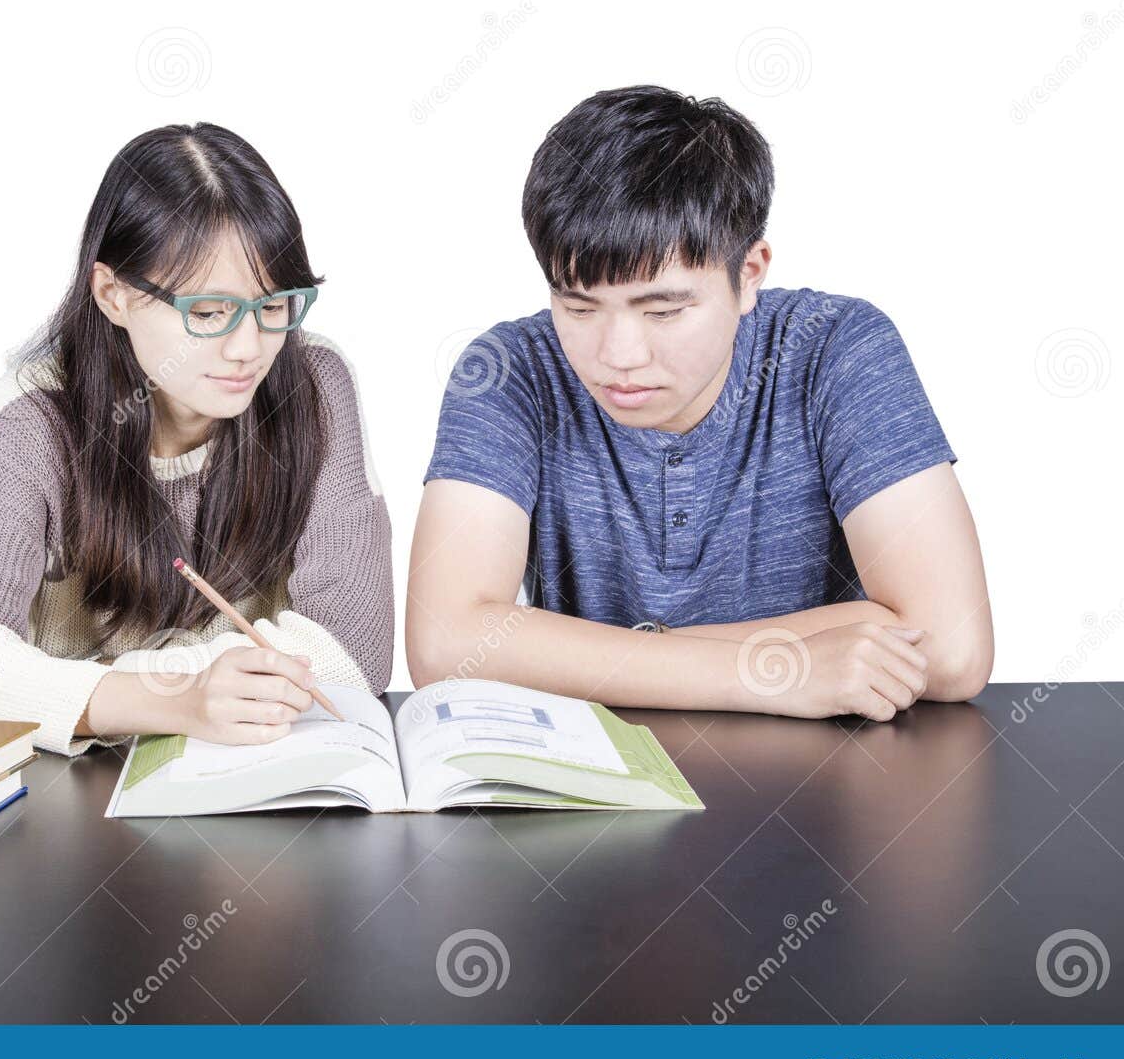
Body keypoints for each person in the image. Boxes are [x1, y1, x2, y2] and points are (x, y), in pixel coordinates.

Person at [409, 85, 992, 722]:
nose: (618, 354)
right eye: (578, 307)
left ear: (749, 274)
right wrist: (775, 669)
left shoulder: (837, 348)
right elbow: (444, 645)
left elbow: (952, 646)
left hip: (829, 785)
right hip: (603, 780)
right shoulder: (511, 371)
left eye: (663, 311)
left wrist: (566, 653)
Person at [0, 123, 392, 754]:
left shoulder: (314, 383)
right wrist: (177, 700)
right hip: (77, 813)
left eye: (274, 306)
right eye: (209, 313)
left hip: (251, 777)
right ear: (113, 295)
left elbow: (356, 643)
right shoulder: (33, 419)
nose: (248, 349)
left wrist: (46, 689)